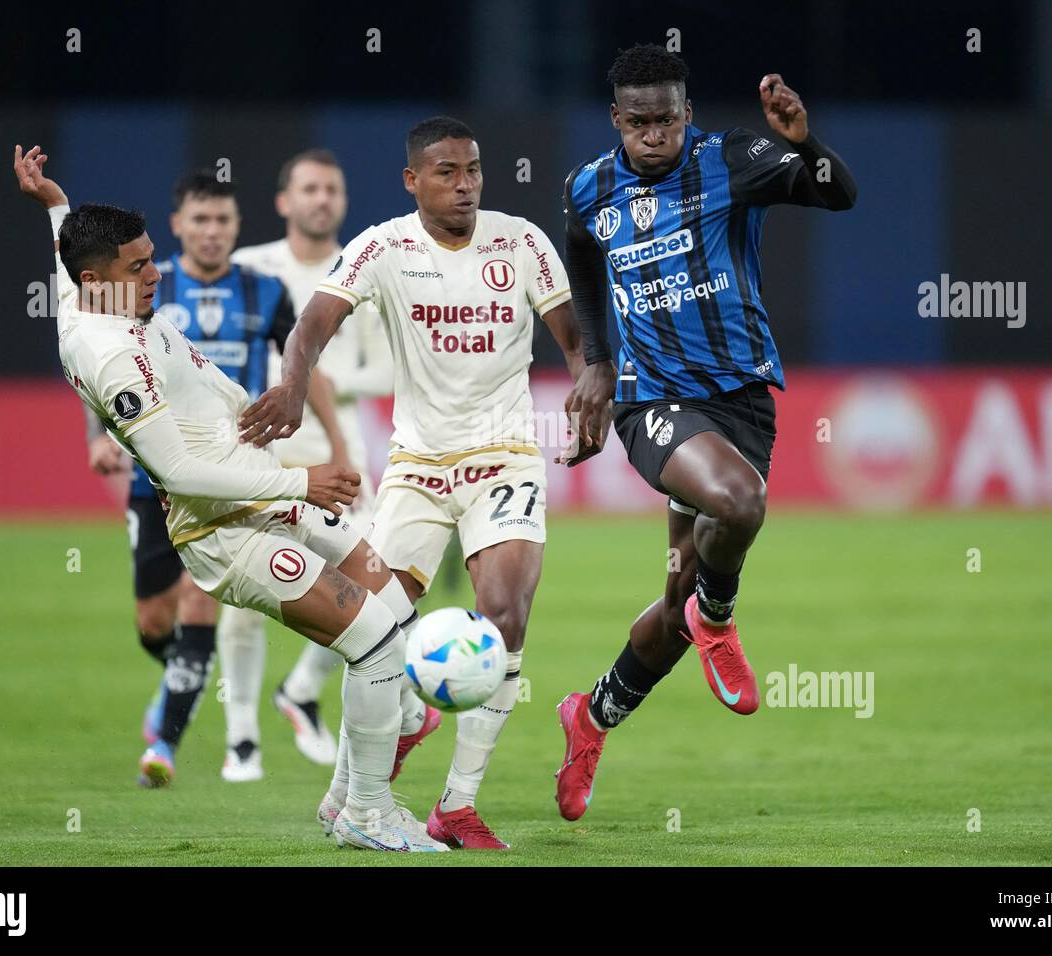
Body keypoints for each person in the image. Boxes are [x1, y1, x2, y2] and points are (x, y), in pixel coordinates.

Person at [14, 144, 446, 852]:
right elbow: (182, 472)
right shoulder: (112, 357)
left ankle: (348, 795)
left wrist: (53, 204)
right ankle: (368, 810)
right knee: (371, 641)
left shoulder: (85, 292)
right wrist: (301, 480)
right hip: (226, 531)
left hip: (264, 491)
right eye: (139, 267)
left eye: (153, 257)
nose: (157, 274)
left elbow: (63, 264)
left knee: (393, 606)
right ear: (98, 281)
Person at [237, 117, 610, 849]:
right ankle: (347, 795)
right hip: (415, 468)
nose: (465, 183)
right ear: (412, 180)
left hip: (505, 455)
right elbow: (311, 323)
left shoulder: (521, 240)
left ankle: (457, 804)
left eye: (473, 169)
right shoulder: (381, 246)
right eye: (446, 172)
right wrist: (292, 384)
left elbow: (576, 339)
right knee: (370, 627)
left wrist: (592, 383)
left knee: (503, 615)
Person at [554, 45, 857, 820]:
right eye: (639, 123)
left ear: (687, 116)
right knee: (741, 505)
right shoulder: (589, 188)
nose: (654, 136)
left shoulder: (732, 159)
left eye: (667, 120)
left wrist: (803, 141)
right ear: (617, 120)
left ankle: (590, 718)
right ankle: (719, 620)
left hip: (742, 401)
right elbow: (580, 259)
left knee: (675, 599)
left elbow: (839, 197)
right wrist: (595, 361)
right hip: (651, 400)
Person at [220, 150, 394, 774]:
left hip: (336, 448)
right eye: (310, 189)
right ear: (284, 201)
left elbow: (389, 366)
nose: (322, 199)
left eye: (332, 189)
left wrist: (312, 366)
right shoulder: (246, 268)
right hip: (257, 442)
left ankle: (299, 689)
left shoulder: (367, 269)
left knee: (379, 579)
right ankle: (242, 735)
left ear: (343, 202)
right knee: (241, 592)